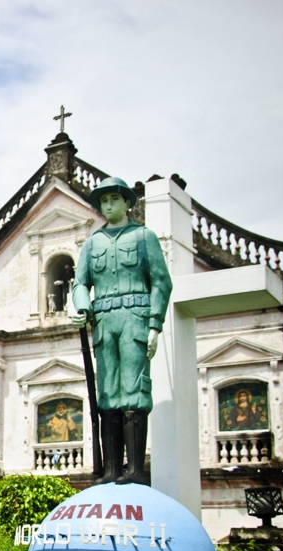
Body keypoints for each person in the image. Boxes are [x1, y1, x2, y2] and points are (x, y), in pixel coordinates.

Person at [71, 177, 172, 485]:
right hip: (104, 321)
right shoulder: (92, 244)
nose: (109, 205)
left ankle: (136, 470)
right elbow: (80, 284)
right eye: (104, 201)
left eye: (115, 199)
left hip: (135, 318)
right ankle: (113, 469)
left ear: (128, 202)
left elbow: (161, 282)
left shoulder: (144, 237)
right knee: (108, 392)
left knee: (135, 389)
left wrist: (155, 324)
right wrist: (82, 308)